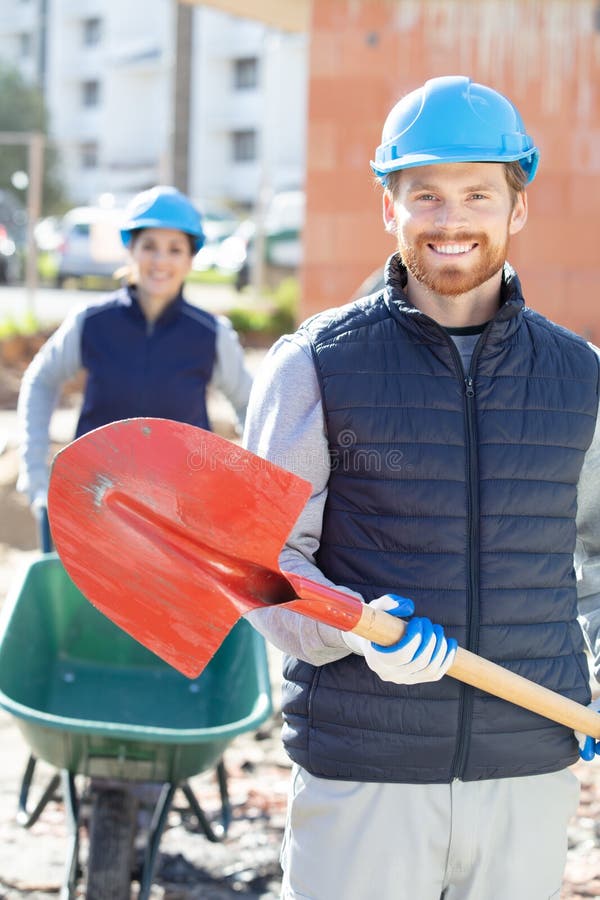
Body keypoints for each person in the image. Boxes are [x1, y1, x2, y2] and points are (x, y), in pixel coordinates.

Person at [243, 75, 600, 900]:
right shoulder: (316, 365)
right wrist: (354, 633)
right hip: (366, 773)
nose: (451, 219)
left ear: (517, 208)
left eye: (478, 193)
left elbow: (593, 557)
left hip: (528, 771)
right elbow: (261, 566)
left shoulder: (579, 376)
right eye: (425, 195)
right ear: (388, 209)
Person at [17, 185, 252, 511]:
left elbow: (252, 407)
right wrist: (34, 473)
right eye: (149, 246)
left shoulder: (211, 335)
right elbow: (40, 381)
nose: (160, 260)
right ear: (131, 249)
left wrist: (250, 487)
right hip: (97, 502)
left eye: (174, 249)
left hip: (182, 512)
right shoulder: (91, 323)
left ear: (190, 259)